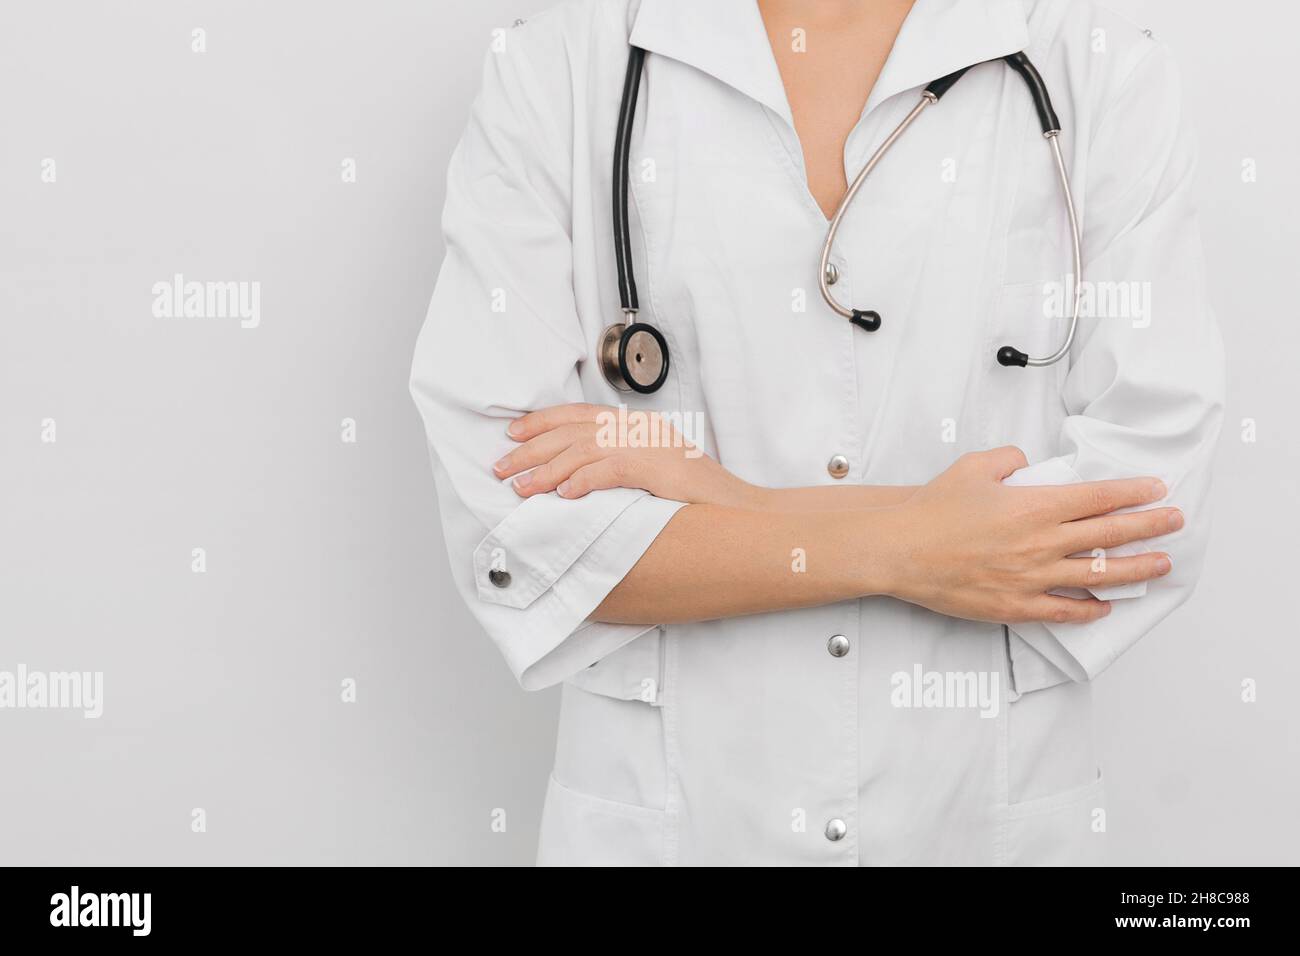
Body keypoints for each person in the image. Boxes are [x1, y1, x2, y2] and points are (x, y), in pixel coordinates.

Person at [409, 0, 1223, 865]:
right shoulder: (559, 68)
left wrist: (726, 498)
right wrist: (913, 548)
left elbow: (1149, 508)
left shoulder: (1100, 70)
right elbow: (516, 540)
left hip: (974, 817)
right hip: (682, 823)